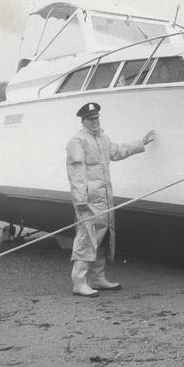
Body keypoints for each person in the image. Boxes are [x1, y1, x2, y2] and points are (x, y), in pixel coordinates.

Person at [66, 102, 155, 297]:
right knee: (86, 239)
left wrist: (141, 142)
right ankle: (79, 283)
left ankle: (97, 278)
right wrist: (80, 200)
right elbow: (76, 172)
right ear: (83, 121)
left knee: (103, 238)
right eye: (91, 119)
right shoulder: (77, 141)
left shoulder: (103, 139)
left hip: (105, 199)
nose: (95, 122)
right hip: (88, 201)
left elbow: (118, 151)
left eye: (97, 118)